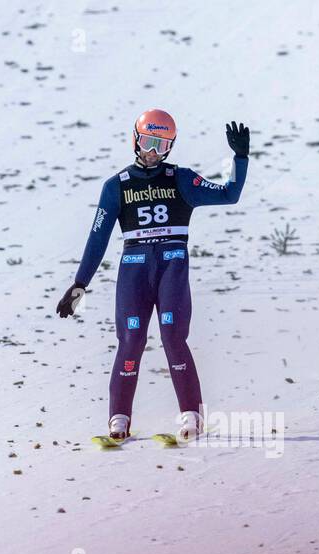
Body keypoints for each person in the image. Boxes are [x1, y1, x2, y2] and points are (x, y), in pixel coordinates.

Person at [56, 109, 250, 442]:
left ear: (170, 148)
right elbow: (97, 237)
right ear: (135, 139)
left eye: (161, 146)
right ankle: (119, 418)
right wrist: (79, 284)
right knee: (130, 340)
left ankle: (191, 414)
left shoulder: (182, 179)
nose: (152, 152)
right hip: (134, 269)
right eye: (147, 142)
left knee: (173, 336)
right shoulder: (116, 186)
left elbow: (229, 195)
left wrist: (240, 157)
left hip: (172, 266)